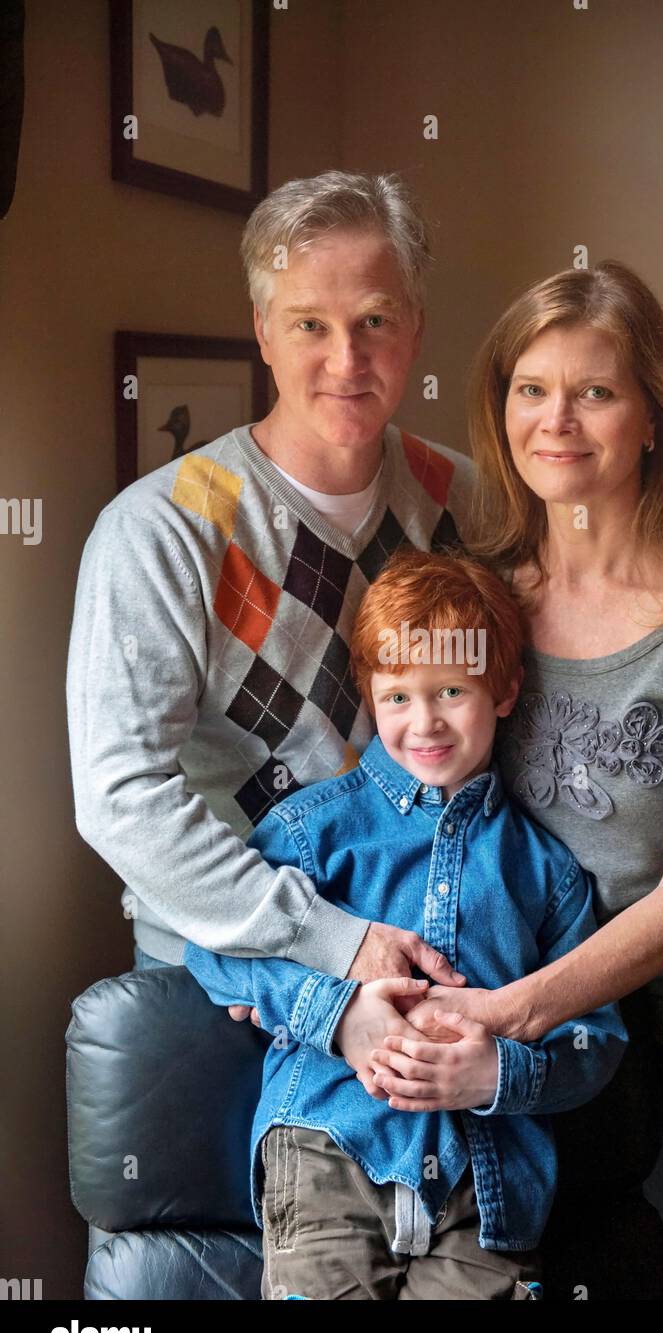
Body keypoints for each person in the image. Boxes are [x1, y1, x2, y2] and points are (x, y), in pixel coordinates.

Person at [362, 262, 663, 1301]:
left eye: (595, 391)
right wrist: (291, 950)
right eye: (530, 388)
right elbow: (401, 780)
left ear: (655, 418)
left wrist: (514, 1015)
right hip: (514, 1027)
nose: (556, 419)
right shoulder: (480, 588)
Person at [66, 170, 478, 1007]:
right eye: (309, 325)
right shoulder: (164, 530)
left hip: (434, 951)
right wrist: (331, 939)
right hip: (230, 976)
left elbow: (541, 697)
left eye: (374, 321)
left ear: (417, 328)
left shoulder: (465, 498)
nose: (347, 360)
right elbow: (121, 800)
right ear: (262, 329)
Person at [183, 550, 628, 1300]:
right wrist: (329, 1010)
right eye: (397, 698)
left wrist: (500, 1073)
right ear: (370, 696)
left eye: (452, 691)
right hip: (329, 1149)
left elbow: (599, 1039)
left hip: (489, 1192)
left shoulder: (546, 872)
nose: (423, 723)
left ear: (506, 689)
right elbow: (214, 945)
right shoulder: (311, 832)